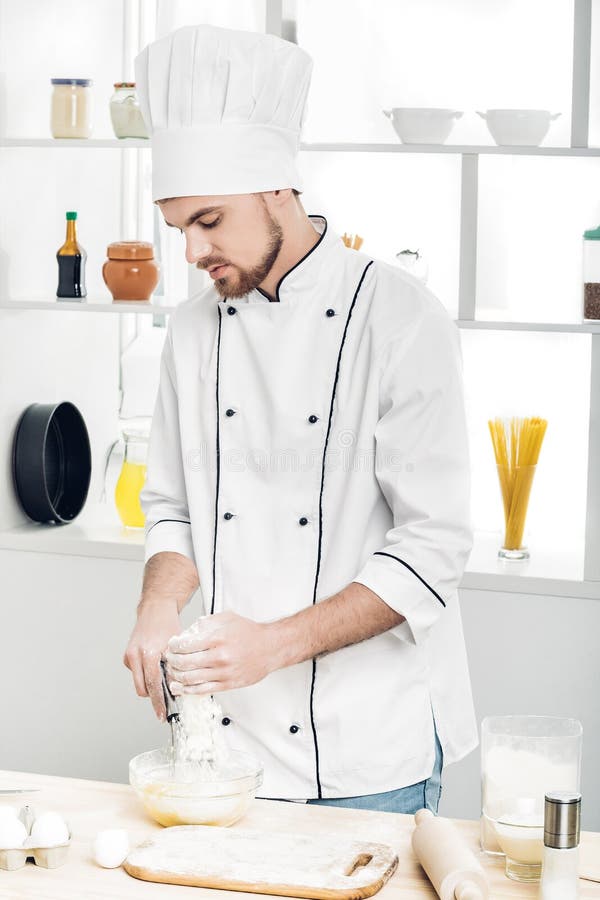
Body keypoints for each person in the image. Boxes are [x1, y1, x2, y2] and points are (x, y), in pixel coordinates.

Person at [124, 23, 477, 813]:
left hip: (366, 757)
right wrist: (157, 603)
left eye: (209, 221)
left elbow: (432, 548)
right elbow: (173, 508)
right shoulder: (190, 332)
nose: (191, 250)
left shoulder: (399, 318)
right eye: (180, 226)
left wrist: (272, 644)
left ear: (277, 190)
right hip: (224, 748)